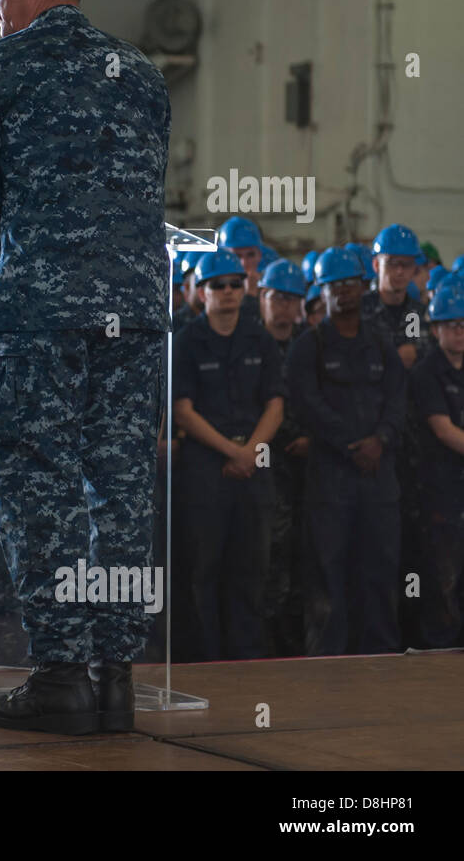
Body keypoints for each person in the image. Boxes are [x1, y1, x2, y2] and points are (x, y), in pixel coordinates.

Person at [0, 0, 169, 734]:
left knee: (42, 490)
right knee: (121, 492)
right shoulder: (141, 74)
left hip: (38, 317)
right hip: (135, 318)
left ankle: (62, 672)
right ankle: (116, 676)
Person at [285, 246, 405, 656]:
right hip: (330, 480)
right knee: (326, 574)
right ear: (322, 292)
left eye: (351, 283)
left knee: (381, 570)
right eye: (335, 285)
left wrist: (381, 440)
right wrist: (350, 444)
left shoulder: (383, 344)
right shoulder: (308, 347)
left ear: (363, 286)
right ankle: (327, 660)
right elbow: (306, 404)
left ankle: (383, 655)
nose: (345, 292)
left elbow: (398, 400)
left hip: (378, 476)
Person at [171, 251, 284, 661]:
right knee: (204, 569)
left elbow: (275, 404)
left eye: (236, 283)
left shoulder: (260, 339)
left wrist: (250, 451)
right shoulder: (186, 342)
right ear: (202, 293)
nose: (229, 292)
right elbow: (183, 410)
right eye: (218, 285)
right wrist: (232, 451)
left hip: (252, 466)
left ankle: (247, 659)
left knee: (251, 569)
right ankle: (205, 660)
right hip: (206, 468)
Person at [258, 259, 310, 655]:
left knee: (302, 553)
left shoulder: (311, 343)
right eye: (278, 297)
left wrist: (312, 437)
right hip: (263, 464)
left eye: (293, 299)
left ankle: (295, 640)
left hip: (309, 467)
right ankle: (266, 640)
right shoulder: (250, 342)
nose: (285, 307)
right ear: (263, 298)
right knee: (268, 553)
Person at [407, 285, 464, 648]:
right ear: (435, 328)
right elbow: (443, 430)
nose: (459, 331)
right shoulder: (426, 371)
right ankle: (440, 649)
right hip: (440, 490)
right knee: (444, 577)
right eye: (451, 324)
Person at [364, 224, 428, 370]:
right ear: (376, 265)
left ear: (414, 269)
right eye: (392, 263)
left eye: (407, 264)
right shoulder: (360, 311)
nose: (400, 271)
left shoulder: (419, 314)